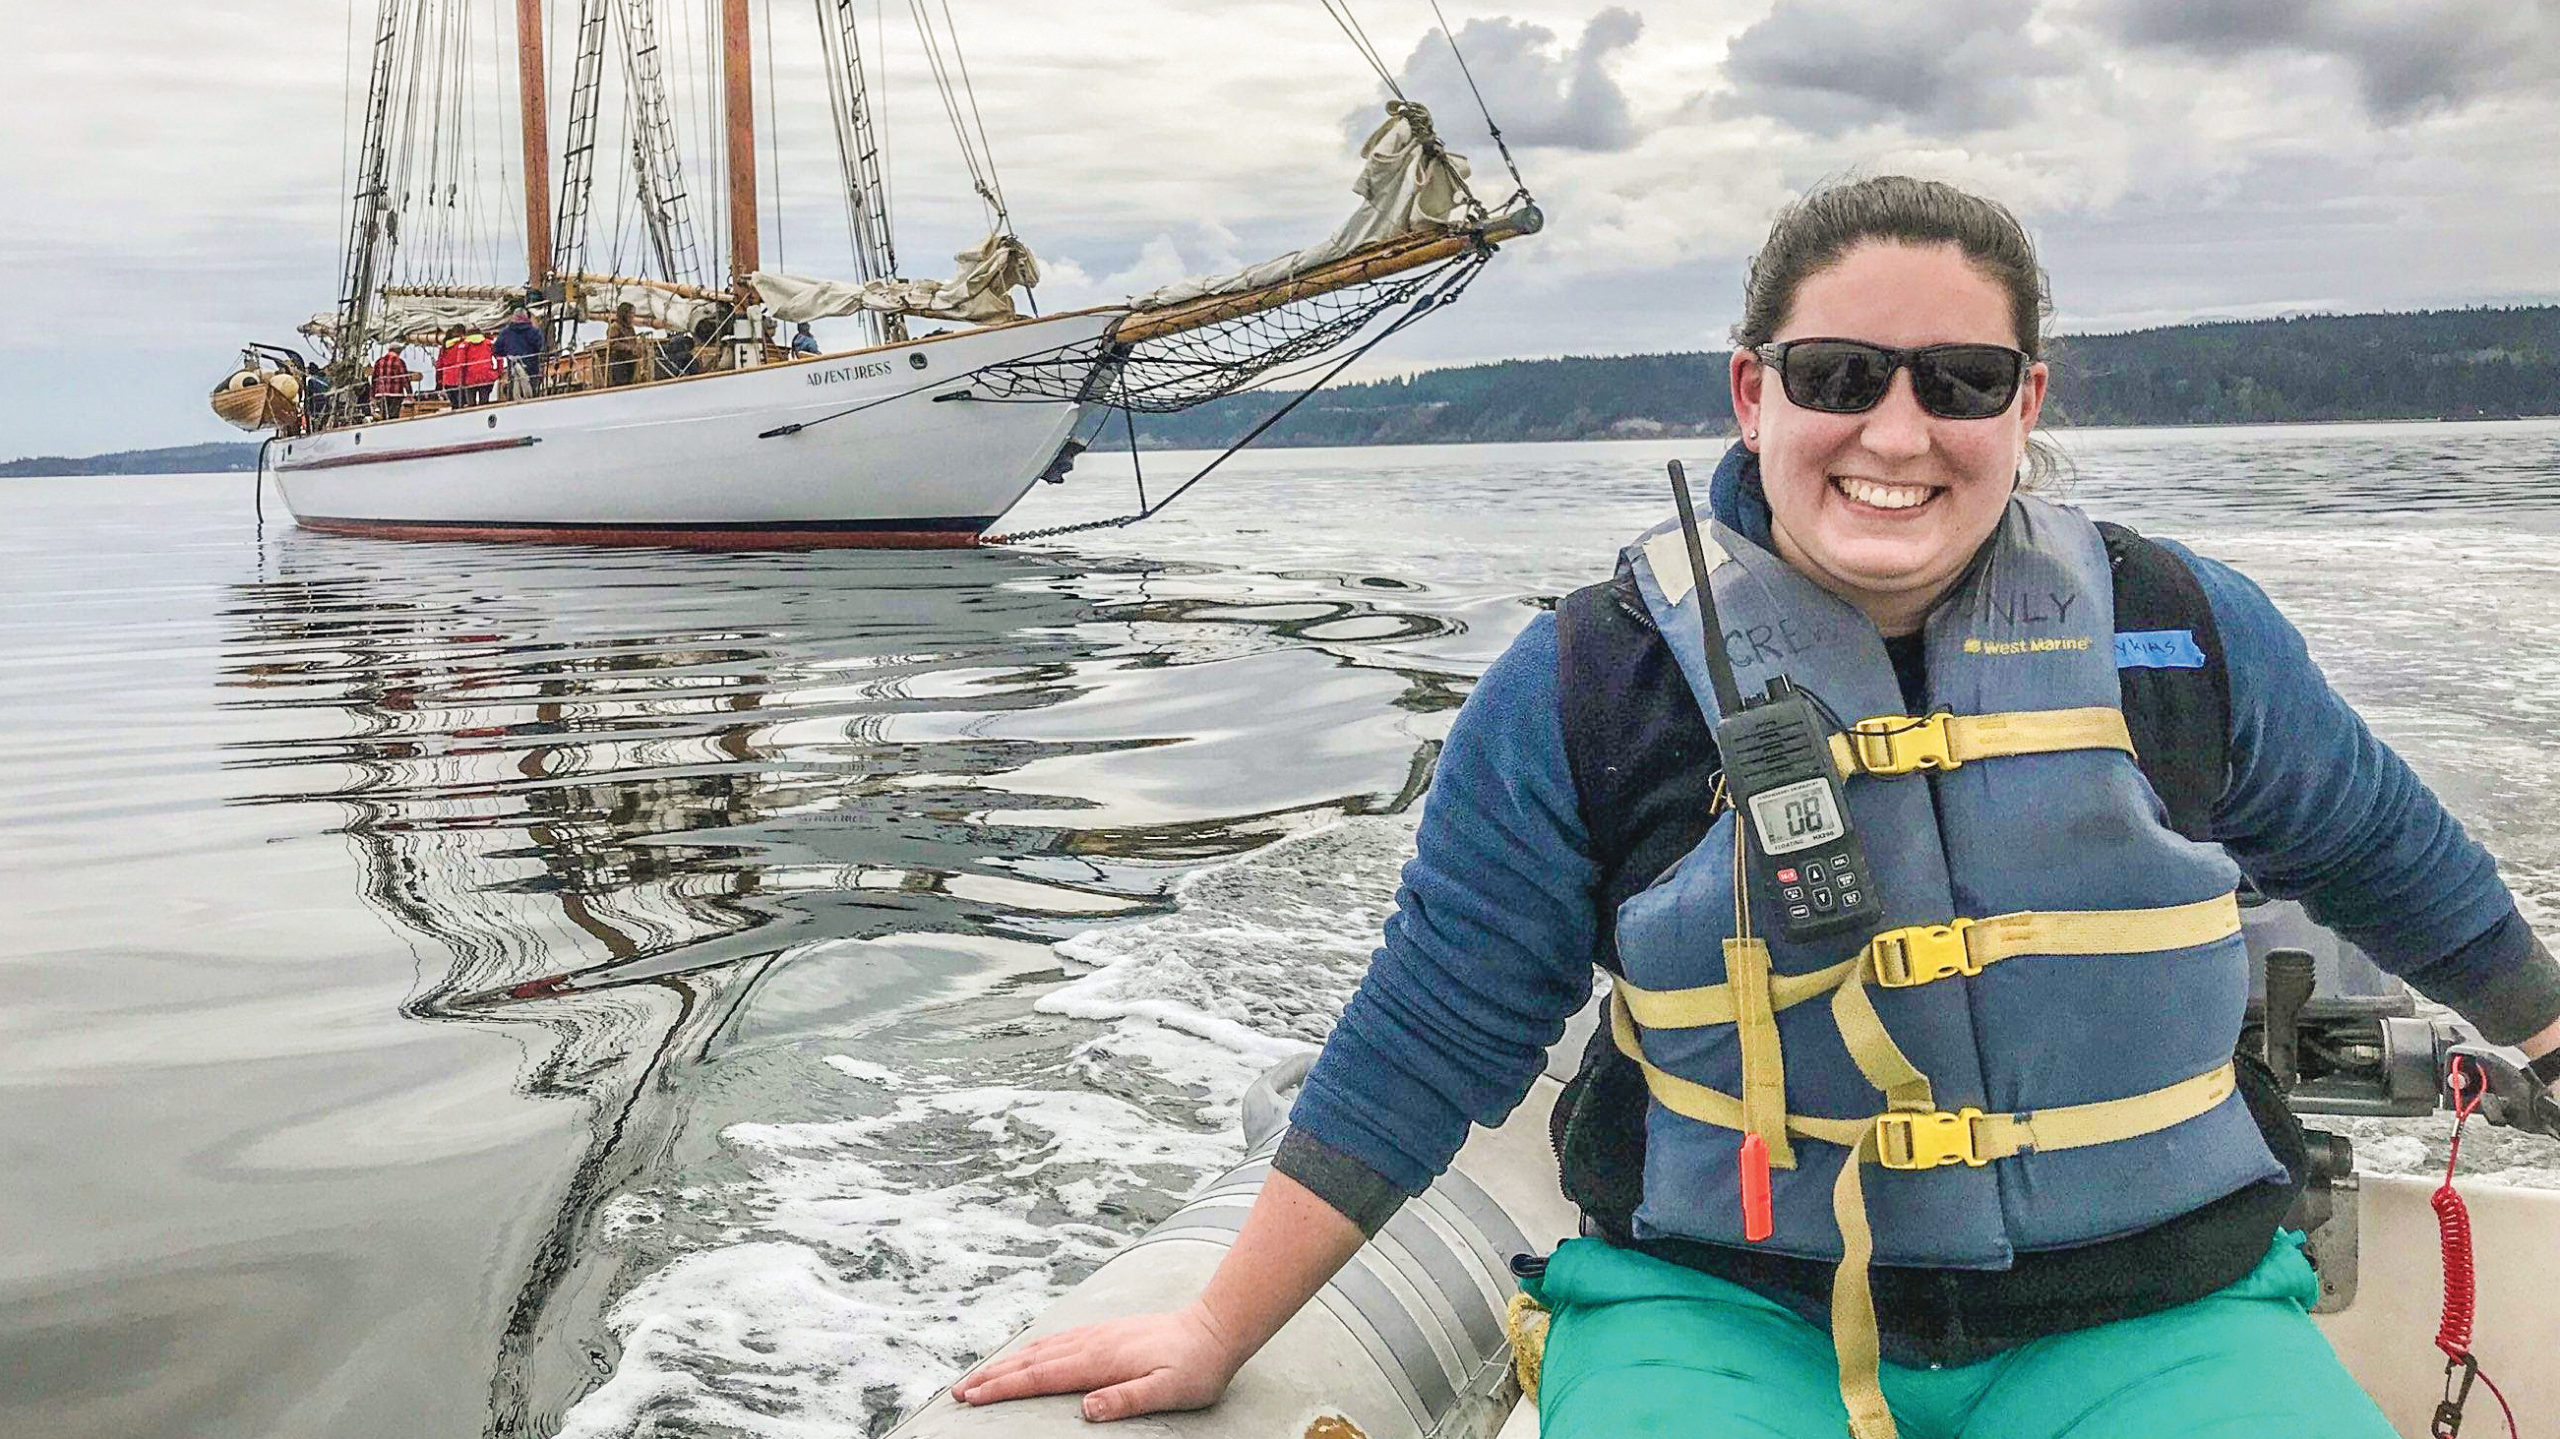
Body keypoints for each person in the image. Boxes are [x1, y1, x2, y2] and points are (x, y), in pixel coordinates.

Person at [951, 176, 2560, 1437]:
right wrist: (1216, 1328)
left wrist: (2546, 1029)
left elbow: (2389, 858)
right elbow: (1432, 1031)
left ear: (2027, 403)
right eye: (1840, 373)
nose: (1897, 428)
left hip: (2156, 1308)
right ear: (1751, 391)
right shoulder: (1595, 678)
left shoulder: (2186, 633)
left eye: (1962, 378)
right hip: (1721, 1309)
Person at [492, 308, 546, 399]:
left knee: (514, 389)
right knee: (532, 389)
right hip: (531, 366)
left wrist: (508, 353)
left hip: (513, 366)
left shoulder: (506, 332)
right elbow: (540, 346)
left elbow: (497, 349)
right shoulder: (534, 331)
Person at [370, 344, 415, 420]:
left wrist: (372, 396)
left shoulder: (379, 362)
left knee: (383, 417)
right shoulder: (399, 362)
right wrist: (409, 393)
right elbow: (405, 379)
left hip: (381, 393)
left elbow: (374, 380)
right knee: (393, 417)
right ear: (399, 351)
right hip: (395, 394)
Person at [606, 302, 645, 388]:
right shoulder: (614, 327)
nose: (632, 316)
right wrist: (628, 348)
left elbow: (633, 341)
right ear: (625, 314)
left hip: (630, 360)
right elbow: (613, 344)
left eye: (633, 314)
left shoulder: (630, 328)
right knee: (621, 383)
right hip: (619, 361)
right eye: (631, 314)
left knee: (631, 382)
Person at [459, 326, 498, 407]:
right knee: (484, 404)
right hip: (486, 376)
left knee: (470, 405)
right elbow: (499, 357)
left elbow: (461, 364)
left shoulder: (464, 345)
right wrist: (498, 372)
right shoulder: (489, 343)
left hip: (470, 378)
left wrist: (461, 379)